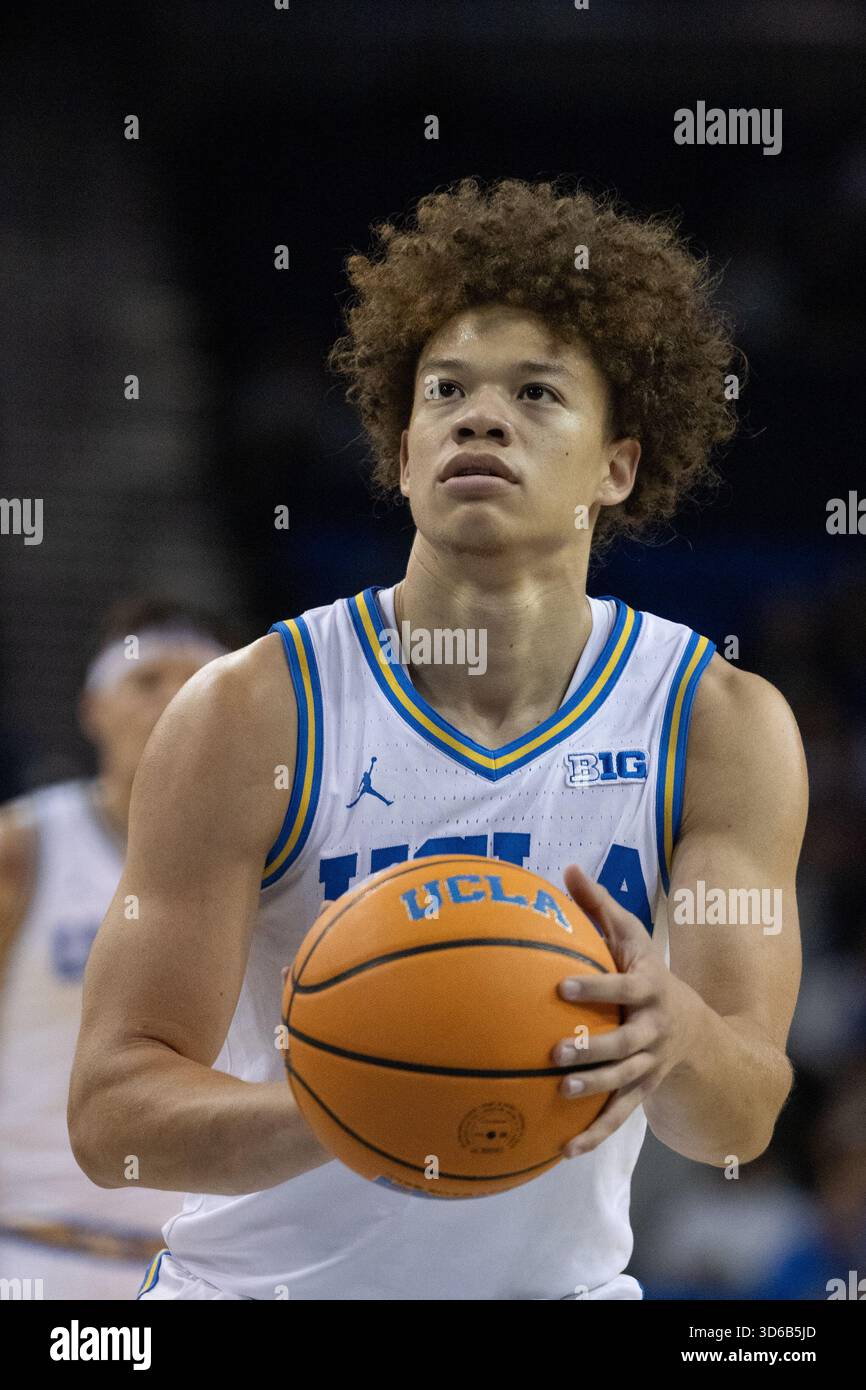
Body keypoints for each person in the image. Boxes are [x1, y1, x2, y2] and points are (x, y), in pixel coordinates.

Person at [70, 178, 807, 1301]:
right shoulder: (251, 710)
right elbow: (112, 1112)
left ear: (616, 466)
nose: (479, 416)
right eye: (444, 391)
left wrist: (680, 1038)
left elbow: (738, 1118)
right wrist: (356, 1108)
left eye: (536, 394)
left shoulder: (714, 721)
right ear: (401, 451)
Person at [0, 597, 232, 1298]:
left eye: (195, 683)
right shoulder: (24, 848)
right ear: (92, 709)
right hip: (35, 1250)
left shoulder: (273, 869)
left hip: (203, 1270)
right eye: (145, 681)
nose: (171, 699)